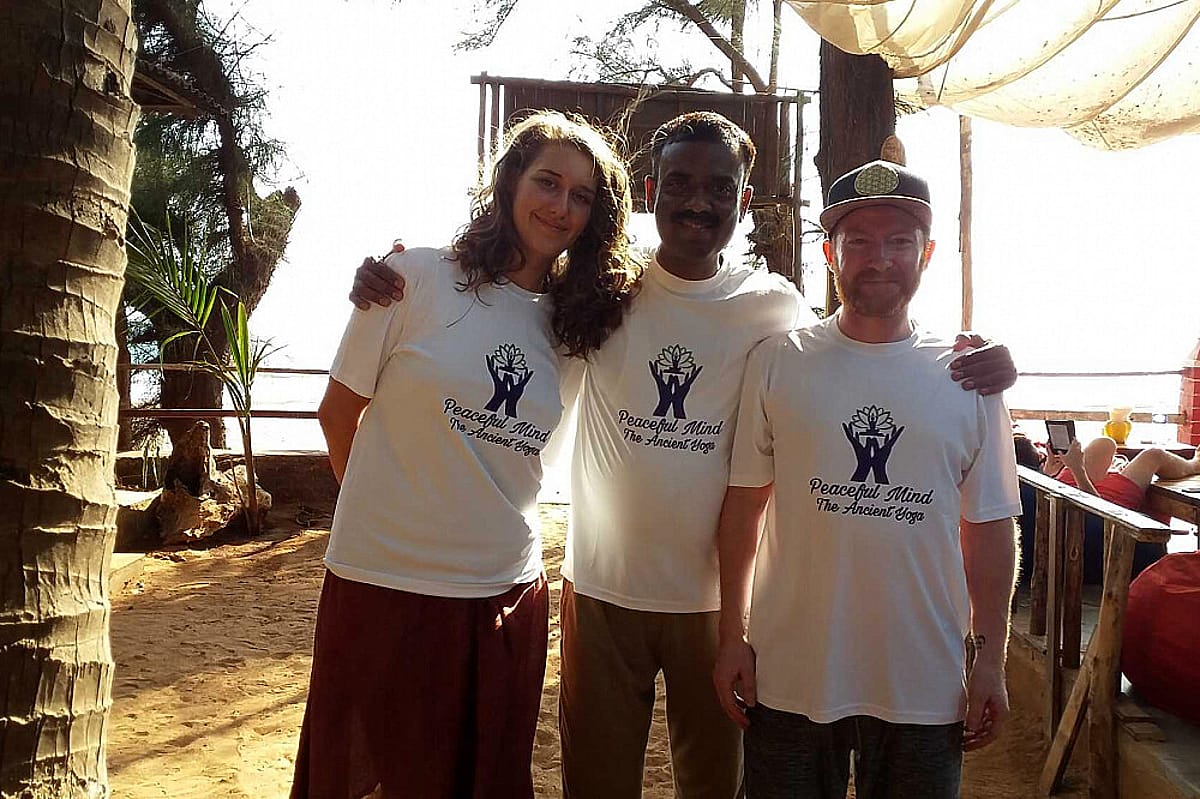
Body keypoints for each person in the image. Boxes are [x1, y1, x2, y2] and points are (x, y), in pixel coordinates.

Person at [349, 115, 1018, 798]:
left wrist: (986, 356)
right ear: (650, 189)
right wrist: (399, 274)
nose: (698, 201)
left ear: (745, 201)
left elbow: (859, 354)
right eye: (680, 183)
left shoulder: (772, 307)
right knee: (597, 783)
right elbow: (502, 306)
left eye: (719, 187)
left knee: (715, 785)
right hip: (603, 590)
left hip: (717, 607)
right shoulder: (601, 293)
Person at [291, 110, 638, 799]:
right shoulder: (409, 279)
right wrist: (388, 511)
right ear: (509, 182)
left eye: (582, 195)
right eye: (547, 181)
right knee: (359, 775)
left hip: (500, 594)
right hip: (378, 580)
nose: (561, 206)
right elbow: (337, 413)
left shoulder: (581, 323)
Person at [714, 159, 1022, 798]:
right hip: (791, 673)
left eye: (898, 241)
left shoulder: (969, 379)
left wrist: (990, 659)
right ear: (830, 252)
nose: (878, 259)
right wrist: (730, 636)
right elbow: (744, 507)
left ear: (927, 253)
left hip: (923, 679)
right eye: (858, 241)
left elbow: (990, 529)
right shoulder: (780, 362)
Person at [1044, 436, 1200, 508]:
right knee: (1154, 454)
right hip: (1101, 506)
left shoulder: (1029, 473)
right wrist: (1077, 469)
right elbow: (1095, 513)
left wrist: (1049, 471)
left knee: (1104, 443)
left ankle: (1113, 470)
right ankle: (1194, 466)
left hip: (1067, 484)